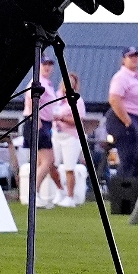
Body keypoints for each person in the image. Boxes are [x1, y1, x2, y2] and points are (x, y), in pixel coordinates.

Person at [22, 55, 67, 208]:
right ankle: (33, 193)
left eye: (49, 64)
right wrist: (37, 118)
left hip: (45, 123)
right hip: (37, 122)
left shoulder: (47, 83)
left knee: (45, 162)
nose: (47, 67)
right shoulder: (37, 81)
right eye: (44, 64)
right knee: (48, 161)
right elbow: (31, 99)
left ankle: (40, 192)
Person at [105, 47, 138, 182]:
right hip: (124, 118)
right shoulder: (121, 77)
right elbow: (114, 99)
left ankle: (132, 191)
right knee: (128, 157)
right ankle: (121, 193)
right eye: (131, 56)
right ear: (124, 59)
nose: (134, 59)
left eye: (136, 56)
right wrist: (127, 121)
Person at [50, 70, 85, 207]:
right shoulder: (56, 97)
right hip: (56, 134)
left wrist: (62, 118)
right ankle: (60, 190)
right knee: (52, 164)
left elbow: (78, 120)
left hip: (71, 136)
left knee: (69, 167)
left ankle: (70, 197)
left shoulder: (77, 100)